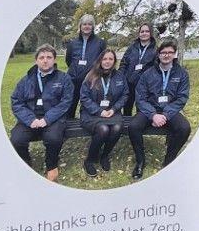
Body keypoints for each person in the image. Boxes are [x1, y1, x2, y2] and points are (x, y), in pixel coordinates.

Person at [9, 44, 74, 181]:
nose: (45, 60)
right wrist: (30, 120)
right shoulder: (25, 80)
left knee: (53, 139)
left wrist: (47, 119)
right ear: (36, 60)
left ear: (54, 60)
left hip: (53, 119)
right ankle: (26, 164)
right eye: (42, 57)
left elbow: (65, 103)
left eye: (49, 57)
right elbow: (16, 101)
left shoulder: (64, 79)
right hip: (30, 119)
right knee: (16, 139)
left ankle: (51, 166)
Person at [132, 37, 192, 177]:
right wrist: (153, 115)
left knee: (184, 128)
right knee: (134, 127)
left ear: (174, 54)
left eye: (170, 52)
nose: (166, 55)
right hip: (149, 109)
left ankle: (168, 162)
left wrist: (165, 114)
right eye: (163, 52)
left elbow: (182, 97)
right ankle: (140, 162)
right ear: (158, 54)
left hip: (170, 110)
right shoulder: (147, 74)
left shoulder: (181, 74)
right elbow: (140, 98)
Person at [77, 46, 126, 177]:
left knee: (117, 127)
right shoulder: (90, 76)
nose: (107, 61)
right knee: (103, 129)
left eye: (111, 59)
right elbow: (84, 97)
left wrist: (114, 109)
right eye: (105, 59)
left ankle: (104, 156)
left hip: (112, 112)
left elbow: (124, 95)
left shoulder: (120, 76)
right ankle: (90, 160)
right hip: (91, 113)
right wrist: (99, 111)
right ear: (100, 60)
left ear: (114, 61)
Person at [120, 22, 157, 118]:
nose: (144, 33)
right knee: (127, 107)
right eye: (142, 31)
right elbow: (124, 63)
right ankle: (125, 129)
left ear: (151, 33)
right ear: (139, 33)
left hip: (144, 85)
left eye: (147, 31)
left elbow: (156, 68)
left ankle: (137, 128)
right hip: (129, 82)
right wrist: (121, 77)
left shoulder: (155, 50)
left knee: (141, 109)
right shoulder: (132, 48)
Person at [65, 14, 102, 89]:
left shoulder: (100, 43)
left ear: (93, 26)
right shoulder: (72, 43)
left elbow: (101, 61)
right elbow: (68, 60)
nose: (87, 26)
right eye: (84, 24)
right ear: (80, 26)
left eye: (89, 24)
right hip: (73, 80)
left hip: (91, 81)